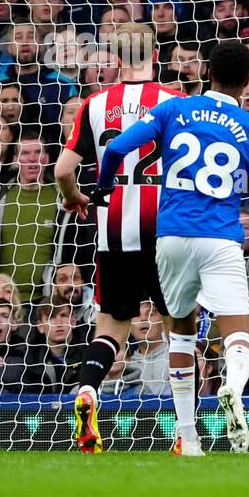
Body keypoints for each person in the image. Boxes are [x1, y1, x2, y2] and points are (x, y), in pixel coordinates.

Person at [98, 39, 249, 456]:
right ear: (248, 81)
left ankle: (190, 439)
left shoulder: (173, 109)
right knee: (238, 332)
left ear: (207, 72)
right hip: (220, 240)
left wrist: (106, 185)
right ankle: (232, 390)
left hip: (172, 238)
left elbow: (116, 148)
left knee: (180, 330)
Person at [55, 23, 177, 454]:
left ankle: (88, 392)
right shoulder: (176, 102)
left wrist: (75, 199)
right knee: (178, 329)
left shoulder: (95, 104)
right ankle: (185, 429)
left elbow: (62, 171)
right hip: (168, 231)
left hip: (113, 229)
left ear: (116, 59)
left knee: (110, 328)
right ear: (156, 55)